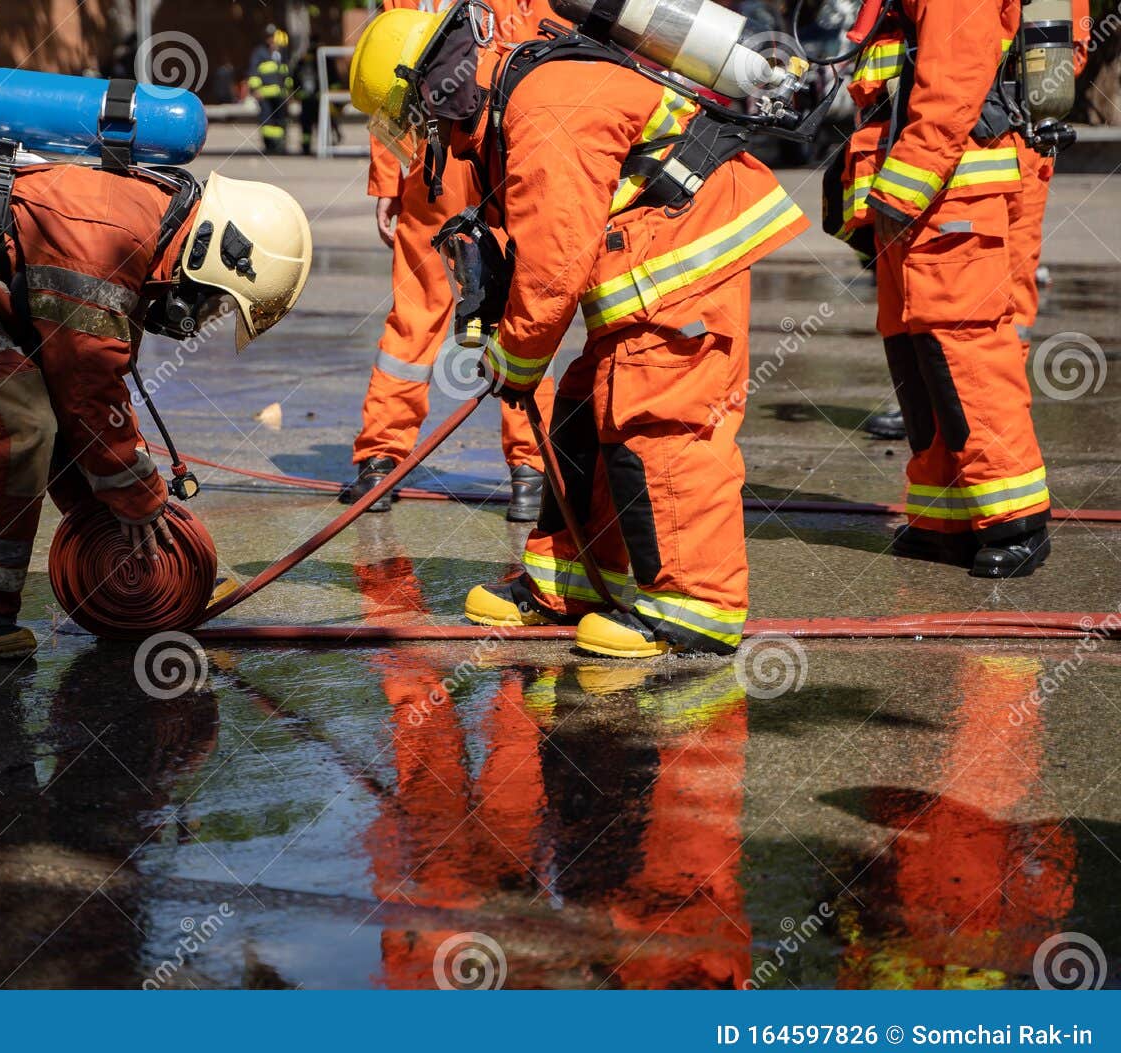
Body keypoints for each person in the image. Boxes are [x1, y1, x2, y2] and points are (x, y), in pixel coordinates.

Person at [350, 2, 808, 657]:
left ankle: (696, 606)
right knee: (582, 407)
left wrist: (515, 358)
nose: (420, 138)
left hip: (683, 261)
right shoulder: (509, 98)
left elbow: (554, 264)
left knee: (658, 414)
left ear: (433, 93)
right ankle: (570, 581)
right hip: (647, 257)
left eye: (413, 121)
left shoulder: (540, 109)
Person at [0, 164, 312, 659]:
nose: (200, 318)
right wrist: (141, 495)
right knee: (15, 432)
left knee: (66, 423)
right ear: (215, 253)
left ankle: (133, 564)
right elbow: (89, 387)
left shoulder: (154, 230)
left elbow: (97, 393)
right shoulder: (107, 242)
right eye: (214, 303)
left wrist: (135, 502)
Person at [835, 0, 1052, 578]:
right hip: (918, 194)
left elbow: (952, 86)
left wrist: (899, 193)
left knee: (964, 350)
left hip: (947, 194)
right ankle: (945, 518)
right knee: (916, 354)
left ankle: (1016, 521)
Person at [340, 0, 554, 523]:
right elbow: (545, 64)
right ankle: (531, 471)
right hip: (502, 158)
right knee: (517, 316)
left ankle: (380, 462)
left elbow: (394, 85)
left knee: (415, 317)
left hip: (430, 165)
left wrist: (388, 182)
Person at [247, 25, 292, 154]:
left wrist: (288, 90)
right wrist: (256, 90)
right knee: (267, 121)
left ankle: (280, 146)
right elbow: (253, 73)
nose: (271, 40)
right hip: (265, 95)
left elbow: (285, 73)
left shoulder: (281, 54)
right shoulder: (259, 52)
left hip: (280, 95)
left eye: (273, 37)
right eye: (269, 37)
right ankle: (270, 146)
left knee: (281, 121)